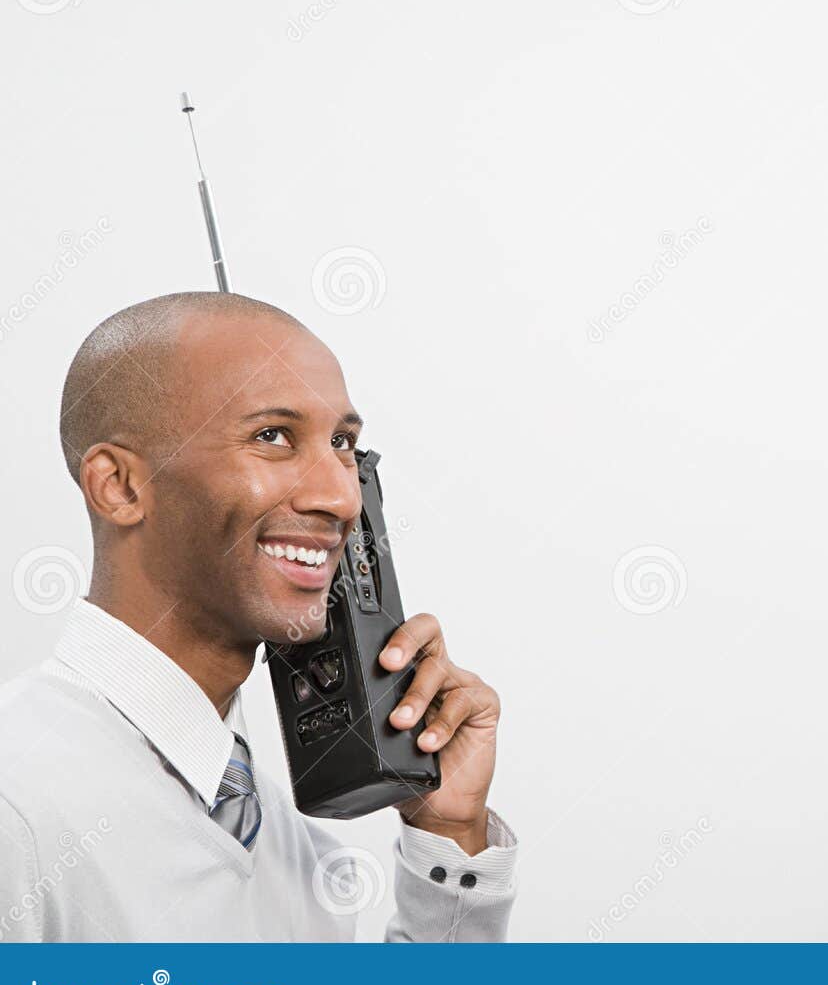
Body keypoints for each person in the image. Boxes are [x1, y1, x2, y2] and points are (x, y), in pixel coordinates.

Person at [0, 292, 516, 941]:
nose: (341, 497)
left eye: (343, 444)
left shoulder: (300, 855)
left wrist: (449, 837)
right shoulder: (17, 804)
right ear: (122, 486)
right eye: (272, 436)